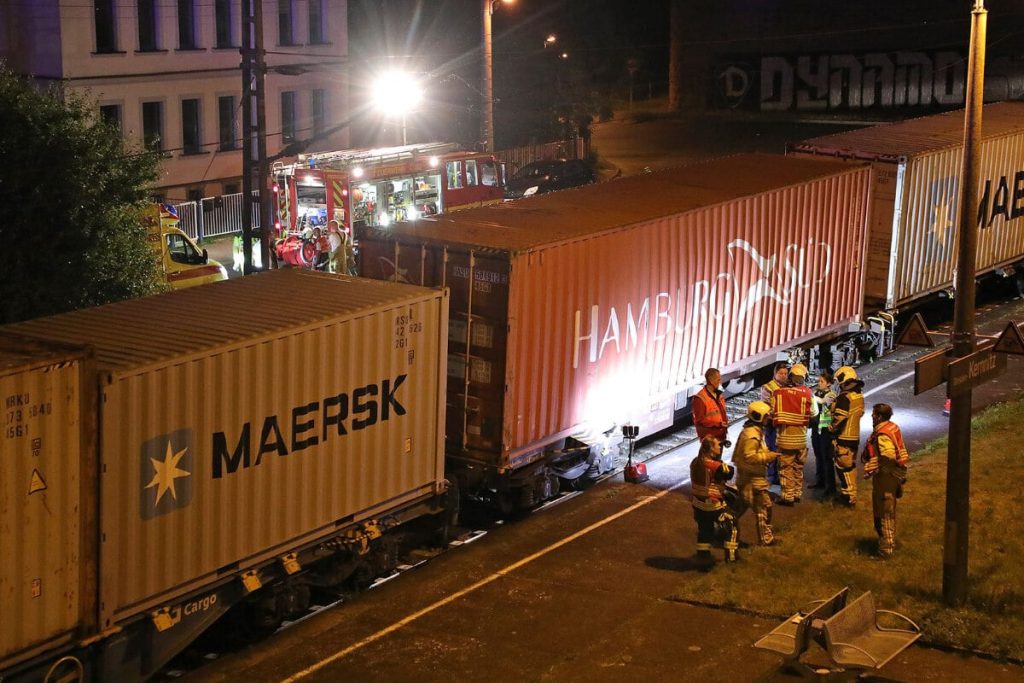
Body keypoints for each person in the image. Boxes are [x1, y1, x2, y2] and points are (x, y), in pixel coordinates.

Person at [862, 403, 909, 557]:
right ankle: (886, 545)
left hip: (885, 477)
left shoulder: (882, 434)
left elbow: (888, 453)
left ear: (879, 416)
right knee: (887, 508)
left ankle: (886, 550)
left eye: (874, 414)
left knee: (885, 511)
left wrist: (880, 466)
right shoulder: (892, 426)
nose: (871, 416)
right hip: (892, 476)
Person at [730, 401, 780, 546]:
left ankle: (723, 531)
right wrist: (768, 456)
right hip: (752, 479)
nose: (768, 419)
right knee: (764, 508)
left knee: (739, 508)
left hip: (748, 477)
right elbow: (750, 456)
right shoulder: (752, 435)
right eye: (766, 416)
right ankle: (766, 539)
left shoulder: (752, 431)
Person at [771, 363, 815, 505]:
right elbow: (814, 413)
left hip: (785, 439)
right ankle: (797, 493)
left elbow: (772, 411)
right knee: (798, 467)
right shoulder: (808, 394)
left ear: (790, 377)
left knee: (786, 468)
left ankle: (787, 496)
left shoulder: (779, 393)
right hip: (801, 439)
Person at [690, 436, 738, 565]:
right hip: (712, 505)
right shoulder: (714, 465)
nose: (720, 447)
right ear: (711, 449)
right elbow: (729, 472)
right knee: (732, 526)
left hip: (698, 505)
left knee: (705, 532)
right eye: (718, 445)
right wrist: (720, 462)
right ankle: (731, 558)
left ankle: (703, 559)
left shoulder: (695, 462)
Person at [830, 366, 865, 507]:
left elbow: (840, 417)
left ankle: (849, 497)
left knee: (843, 467)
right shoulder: (859, 396)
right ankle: (848, 494)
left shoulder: (845, 398)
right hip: (854, 437)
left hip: (844, 437)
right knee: (850, 466)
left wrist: (831, 428)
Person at [809, 370, 837, 498]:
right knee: (818, 456)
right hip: (816, 428)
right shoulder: (817, 393)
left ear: (829, 383)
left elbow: (824, 402)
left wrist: (814, 398)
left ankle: (830, 486)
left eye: (822, 381)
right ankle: (820, 481)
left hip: (825, 429)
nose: (819, 383)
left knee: (826, 458)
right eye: (819, 381)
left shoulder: (831, 395)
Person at [760, 363, 789, 485]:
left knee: (783, 450)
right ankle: (772, 476)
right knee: (772, 449)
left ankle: (781, 475)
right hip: (772, 423)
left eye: (785, 374)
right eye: (781, 373)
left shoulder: (789, 387)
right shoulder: (768, 387)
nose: (783, 376)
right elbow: (767, 406)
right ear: (775, 374)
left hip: (784, 423)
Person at [692, 368, 729, 444]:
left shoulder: (719, 394)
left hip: (720, 436)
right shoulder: (700, 399)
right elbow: (700, 420)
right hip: (710, 440)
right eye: (718, 380)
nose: (720, 382)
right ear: (711, 381)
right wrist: (718, 424)